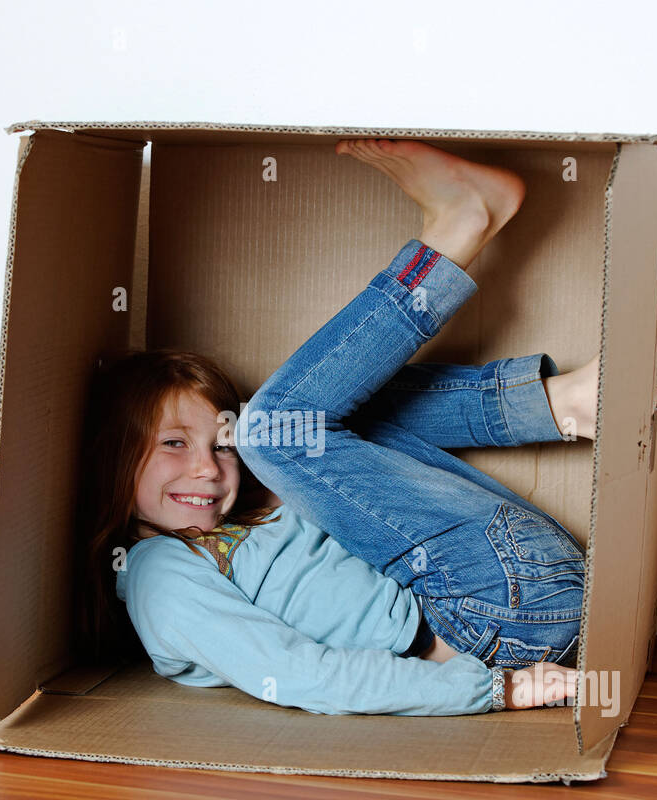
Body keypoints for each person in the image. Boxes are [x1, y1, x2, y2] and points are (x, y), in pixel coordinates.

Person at [80, 138, 599, 716]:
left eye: (218, 446)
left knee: (298, 423)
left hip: (510, 577)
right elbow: (296, 674)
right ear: (115, 458)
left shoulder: (250, 506)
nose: (207, 467)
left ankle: (559, 404)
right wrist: (493, 689)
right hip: (493, 623)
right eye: (174, 444)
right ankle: (461, 229)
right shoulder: (161, 579)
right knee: (273, 429)